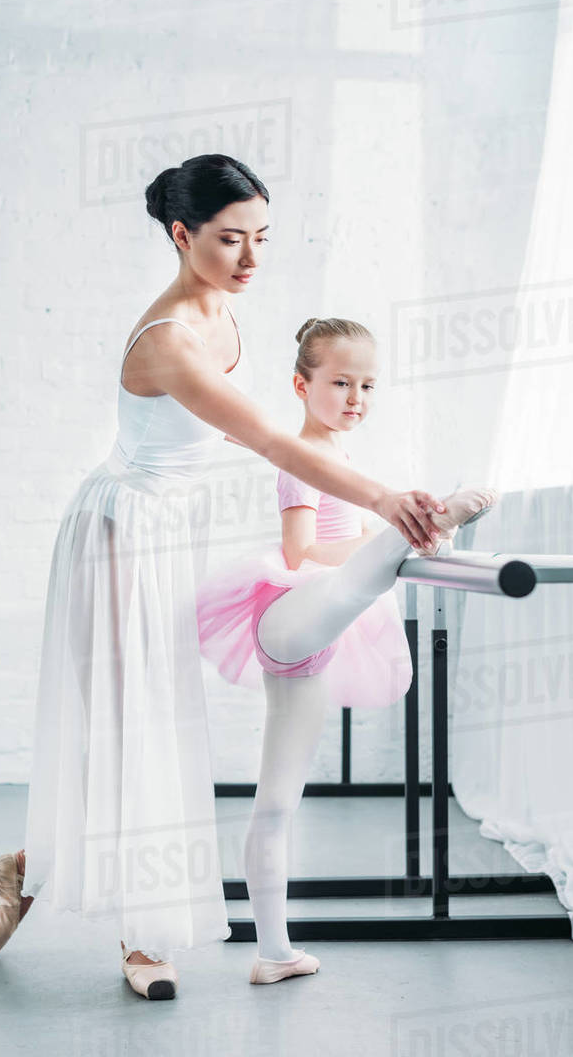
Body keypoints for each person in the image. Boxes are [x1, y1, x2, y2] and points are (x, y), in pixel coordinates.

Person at [0, 153, 453, 1002]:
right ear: (180, 233)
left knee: (158, 719)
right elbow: (273, 442)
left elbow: (260, 441)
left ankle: (25, 867)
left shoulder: (227, 316)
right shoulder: (167, 341)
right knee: (135, 723)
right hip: (121, 534)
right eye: (230, 239)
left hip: (170, 531)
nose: (250, 258)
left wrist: (366, 487)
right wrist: (383, 499)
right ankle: (143, 937)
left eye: (261, 238)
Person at [196, 315, 496, 984]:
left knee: (277, 802)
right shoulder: (302, 463)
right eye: (340, 382)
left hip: (314, 647)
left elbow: (351, 556)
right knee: (355, 579)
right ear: (301, 386)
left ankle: (274, 954)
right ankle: (425, 524)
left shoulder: (348, 463)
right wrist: (390, 536)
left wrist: (387, 542)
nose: (356, 396)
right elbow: (303, 555)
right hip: (288, 612)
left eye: (367, 385)